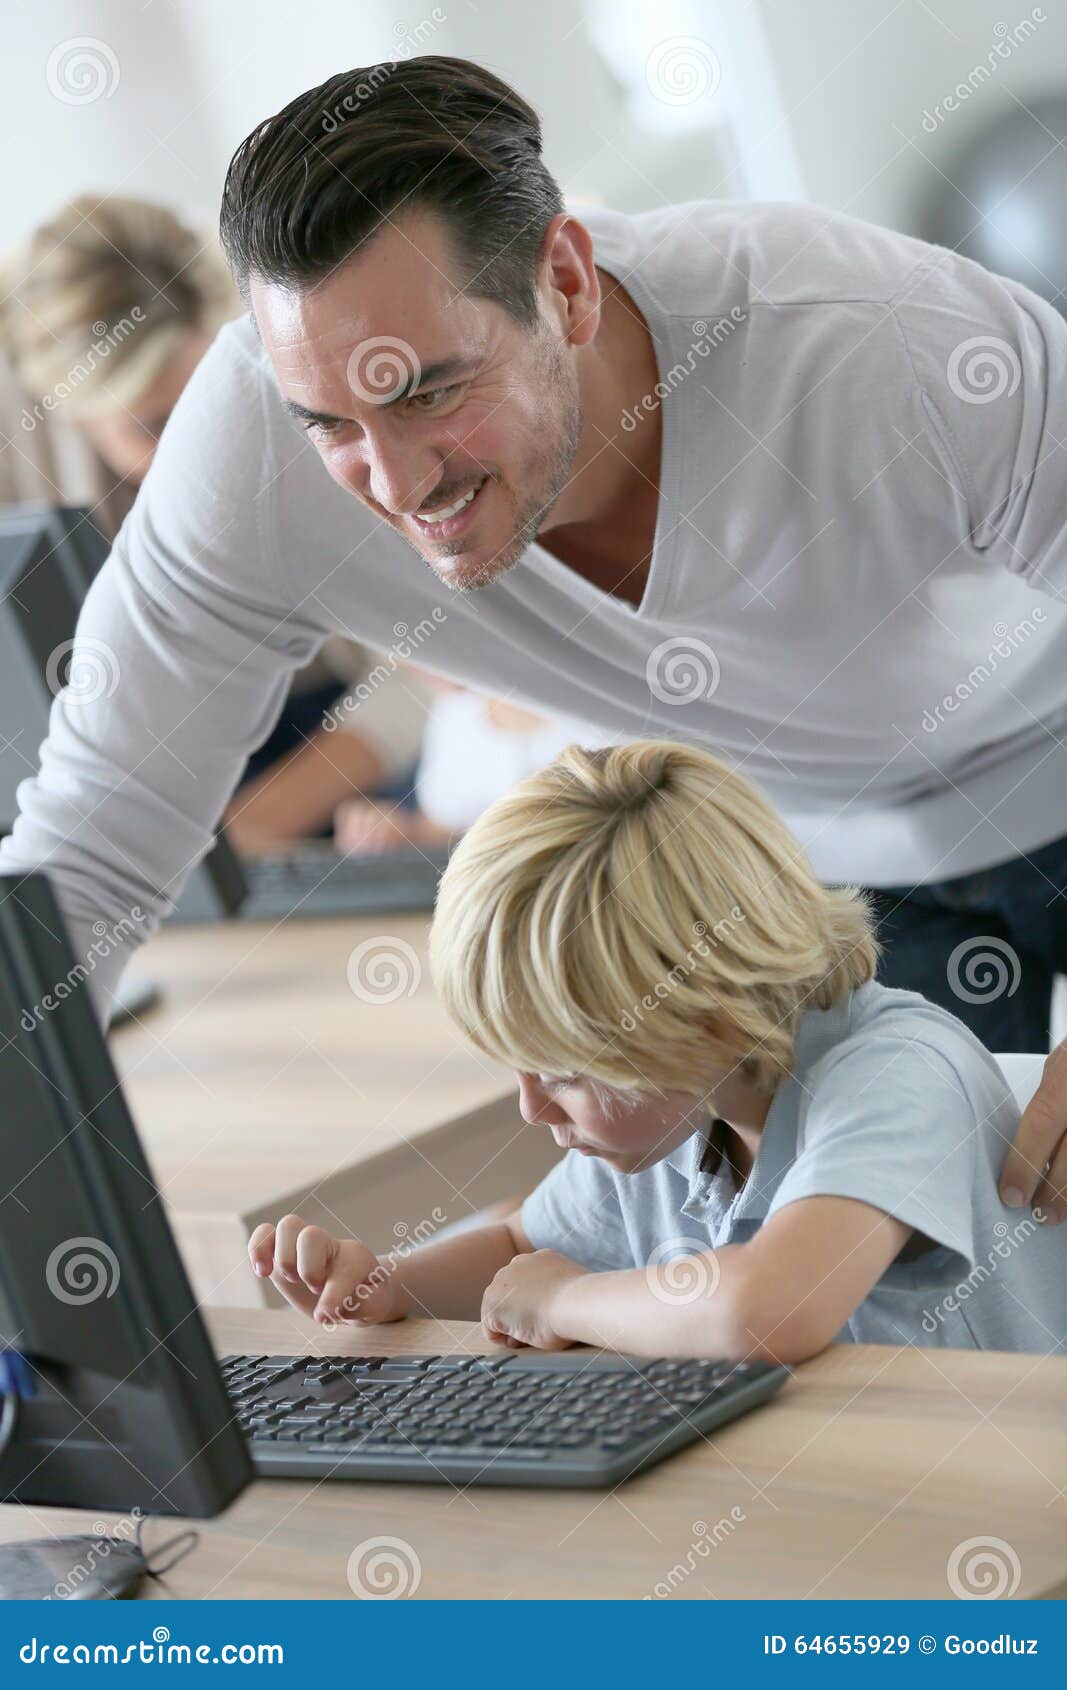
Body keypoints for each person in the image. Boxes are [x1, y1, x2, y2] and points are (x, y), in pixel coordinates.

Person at [1, 56, 1065, 1218]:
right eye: (331, 424)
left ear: (564, 283)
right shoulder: (247, 456)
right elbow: (91, 845)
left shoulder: (877, 338)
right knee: (921, 1275)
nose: (396, 486)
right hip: (819, 875)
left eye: (426, 393)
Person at [247, 740, 1066, 1362]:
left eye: (565, 1074)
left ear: (702, 1021)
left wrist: (565, 1303)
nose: (530, 1108)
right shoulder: (686, 1111)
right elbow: (520, 1248)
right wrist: (386, 1285)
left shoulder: (894, 1074)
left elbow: (765, 1311)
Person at [0, 194, 425, 841]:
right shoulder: (21, 416)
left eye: (199, 404)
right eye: (152, 426)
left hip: (312, 719)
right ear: (71, 409)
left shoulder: (289, 374)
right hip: (112, 733)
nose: (190, 452)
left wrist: (230, 841)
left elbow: (418, 684)